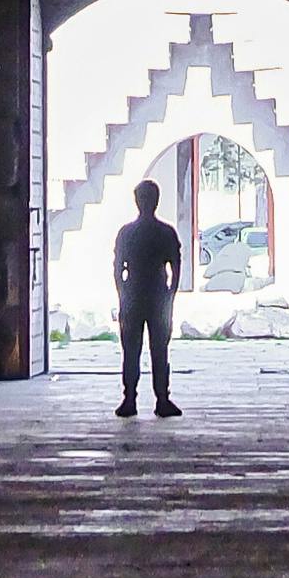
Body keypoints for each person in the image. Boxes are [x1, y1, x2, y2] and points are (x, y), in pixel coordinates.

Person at [112, 173, 181, 417]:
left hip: (133, 294)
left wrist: (123, 292)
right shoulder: (165, 232)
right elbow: (176, 264)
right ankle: (162, 399)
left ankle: (129, 399)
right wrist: (170, 293)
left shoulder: (126, 233)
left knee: (131, 349)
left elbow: (118, 267)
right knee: (159, 349)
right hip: (157, 295)